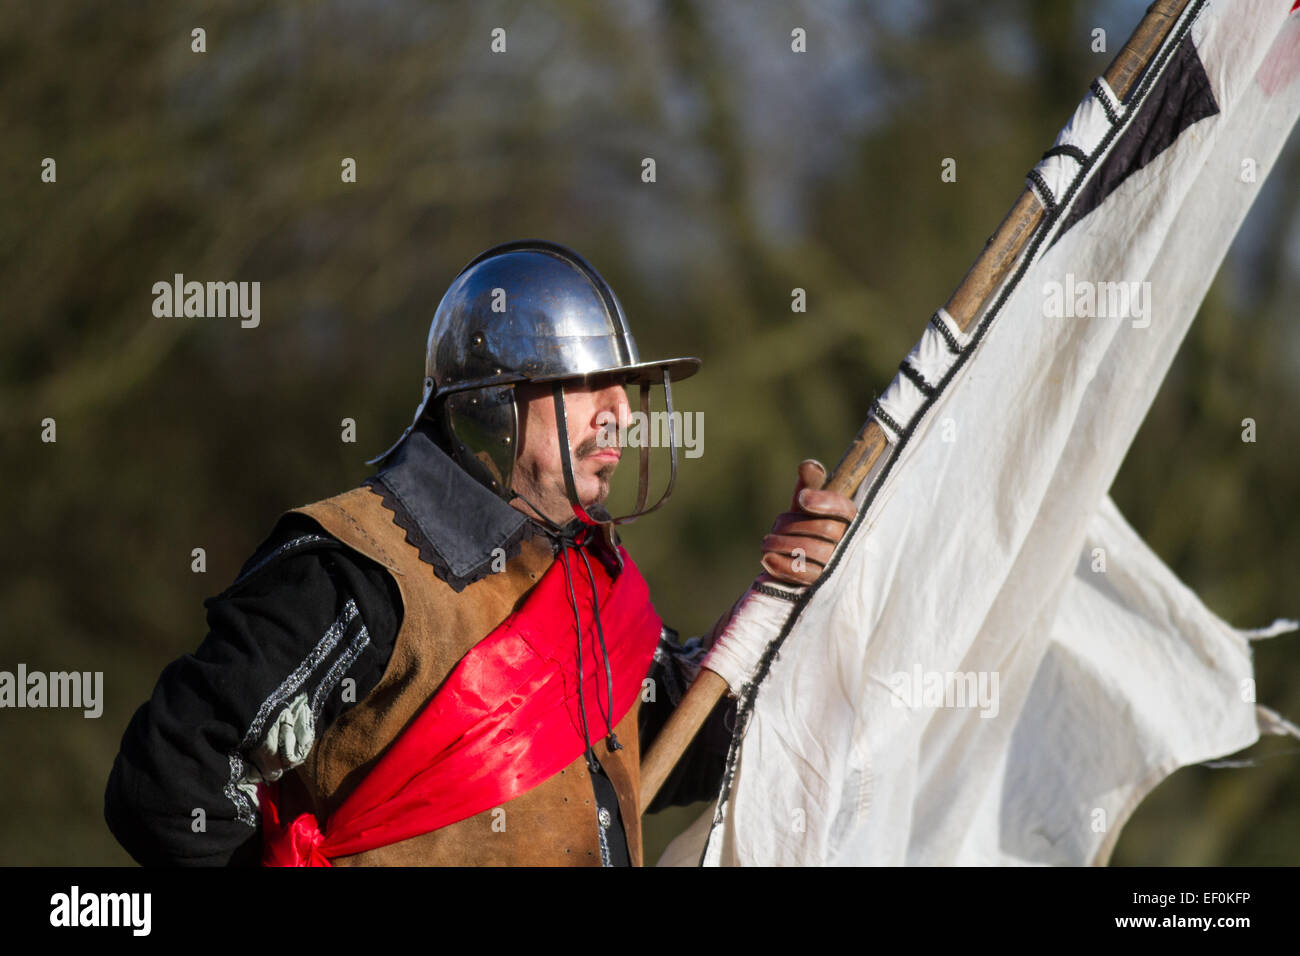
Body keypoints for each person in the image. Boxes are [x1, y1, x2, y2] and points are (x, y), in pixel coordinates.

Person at [103, 239, 857, 866]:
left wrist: (791, 600)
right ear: (494, 402)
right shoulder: (353, 568)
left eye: (624, 387)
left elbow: (682, 740)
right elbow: (168, 786)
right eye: (589, 382)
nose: (622, 413)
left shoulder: (591, 576)